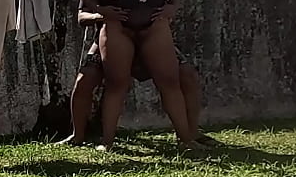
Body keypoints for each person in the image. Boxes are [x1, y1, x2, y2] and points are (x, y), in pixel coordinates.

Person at [76, 0, 200, 151]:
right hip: (117, 27)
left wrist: (172, 7)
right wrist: (102, 11)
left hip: (155, 27)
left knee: (170, 81)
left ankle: (186, 139)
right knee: (117, 83)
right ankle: (107, 142)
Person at [58, 21, 218, 147]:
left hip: (149, 41)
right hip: (110, 41)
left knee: (187, 74)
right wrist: (106, 16)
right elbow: (82, 15)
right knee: (85, 80)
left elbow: (170, 3)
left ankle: (190, 133)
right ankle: (78, 135)